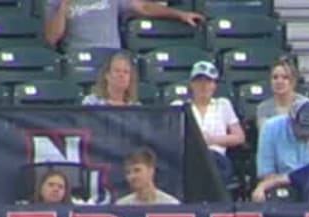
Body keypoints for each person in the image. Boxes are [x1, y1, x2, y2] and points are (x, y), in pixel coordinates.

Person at [43, 0, 202, 65]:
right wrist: (64, 5)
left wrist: (179, 14)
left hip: (112, 59)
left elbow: (144, 7)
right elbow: (52, 37)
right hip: (81, 62)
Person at [187, 61, 245, 186]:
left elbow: (239, 137)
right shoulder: (182, 107)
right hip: (190, 157)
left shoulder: (223, 105)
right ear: (192, 84)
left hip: (216, 158)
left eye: (208, 81)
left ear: (214, 85)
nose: (203, 86)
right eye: (199, 81)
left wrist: (212, 140)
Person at [256, 56, 309, 127]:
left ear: (293, 81)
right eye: (275, 77)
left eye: (285, 77)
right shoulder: (263, 108)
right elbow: (265, 134)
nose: (279, 81)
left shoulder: (306, 105)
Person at [116, 148, 180, 204]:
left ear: (151, 170)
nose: (132, 176)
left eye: (137, 170)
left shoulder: (170, 204)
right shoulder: (122, 206)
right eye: (128, 172)